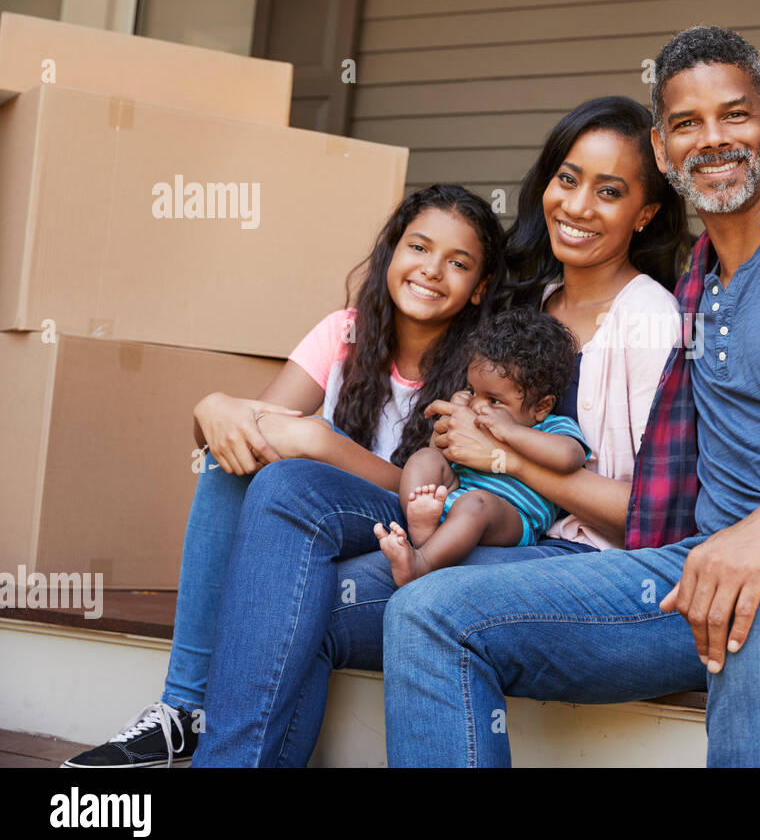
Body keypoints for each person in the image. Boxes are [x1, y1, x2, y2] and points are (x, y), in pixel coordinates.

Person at [376, 25, 760, 767]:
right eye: (687, 124)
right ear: (663, 152)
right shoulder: (696, 282)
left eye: (736, 114)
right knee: (427, 611)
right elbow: (650, 506)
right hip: (691, 567)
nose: (714, 139)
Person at [190, 96, 691, 766]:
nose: (578, 205)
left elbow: (650, 519)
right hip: (475, 527)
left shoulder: (651, 321)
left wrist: (507, 461)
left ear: (645, 213)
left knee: (303, 611)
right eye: (567, 179)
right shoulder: (527, 304)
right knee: (286, 489)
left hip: (585, 563)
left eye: (610, 191)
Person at [63, 183, 506, 768]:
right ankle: (186, 708)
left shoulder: (480, 367)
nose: (432, 270)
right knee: (234, 461)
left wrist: (324, 443)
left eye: (458, 263)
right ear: (390, 254)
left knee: (289, 476)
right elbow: (248, 433)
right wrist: (213, 406)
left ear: (478, 289)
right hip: (321, 518)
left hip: (421, 525)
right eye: (418, 247)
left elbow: (429, 493)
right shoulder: (344, 332)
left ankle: (205, 717)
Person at [375, 308, 591, 585]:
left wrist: (510, 432)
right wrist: (450, 423)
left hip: (509, 516)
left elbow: (568, 458)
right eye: (474, 391)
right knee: (423, 458)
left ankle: (422, 563)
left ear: (541, 406)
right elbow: (442, 451)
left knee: (476, 504)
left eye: (494, 400)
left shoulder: (550, 427)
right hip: (452, 495)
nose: (477, 405)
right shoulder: (473, 411)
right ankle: (422, 527)